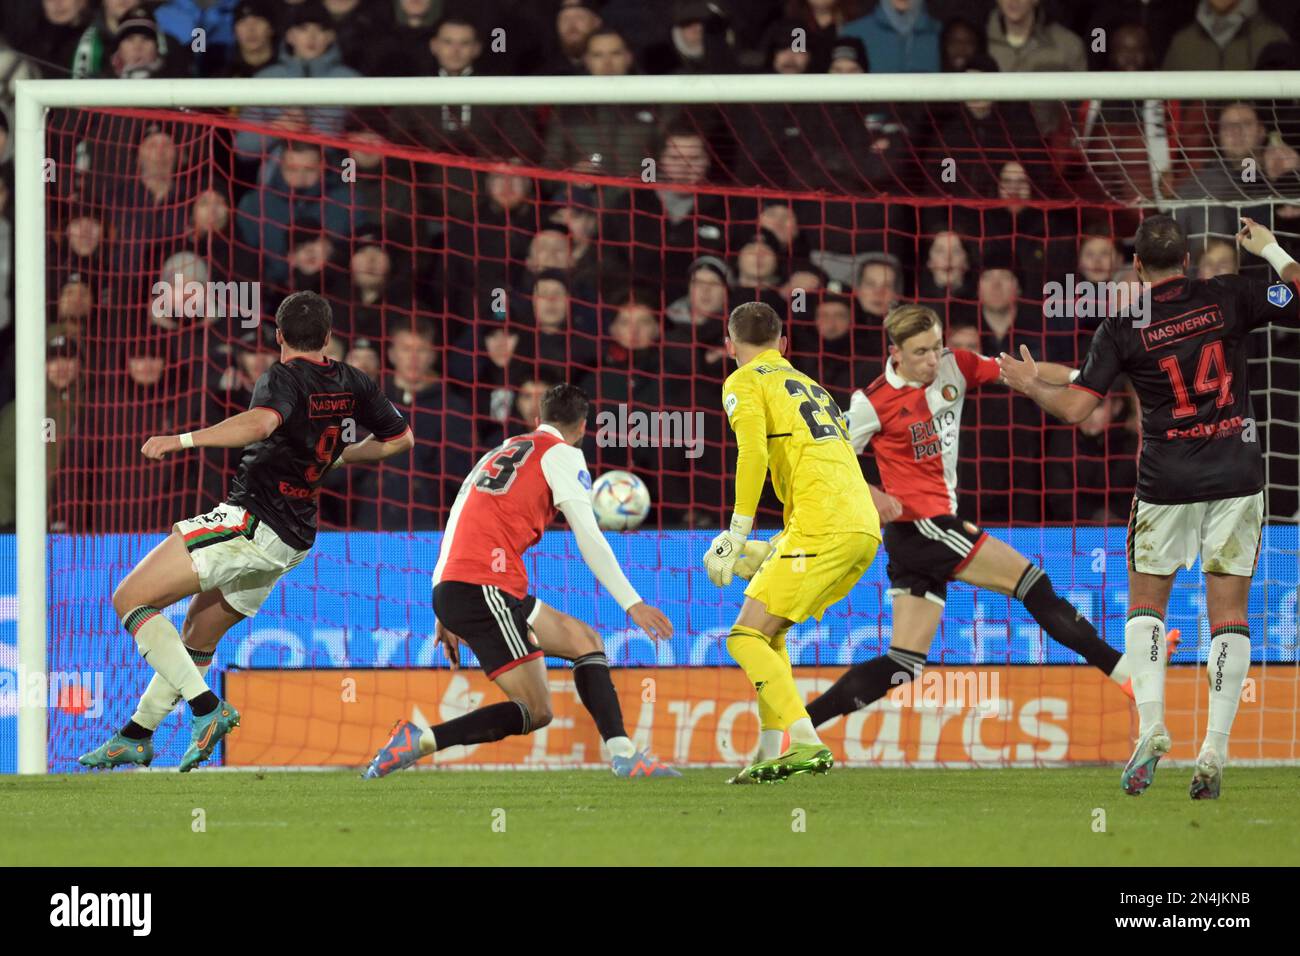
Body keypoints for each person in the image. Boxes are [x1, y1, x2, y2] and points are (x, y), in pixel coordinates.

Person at [998, 215, 1300, 799]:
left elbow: (1080, 405)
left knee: (1146, 602)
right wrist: (1269, 247)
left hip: (1166, 483)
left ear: (1137, 266)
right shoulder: (1228, 294)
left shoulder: (1125, 325)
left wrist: (1030, 384)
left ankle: (1154, 725)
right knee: (1229, 612)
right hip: (1237, 476)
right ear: (1186, 261)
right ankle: (1215, 746)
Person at [78, 291, 414, 771]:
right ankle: (137, 734)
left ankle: (206, 708)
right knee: (198, 632)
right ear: (328, 337)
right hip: (295, 537)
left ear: (278, 335)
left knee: (129, 599)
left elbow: (262, 422)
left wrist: (182, 439)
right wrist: (336, 455)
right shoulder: (354, 380)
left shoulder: (281, 377)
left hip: (252, 522)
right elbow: (401, 440)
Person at [808, 304, 1160, 737]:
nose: (932, 361)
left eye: (936, 348)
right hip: (923, 526)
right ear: (895, 352)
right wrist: (871, 492)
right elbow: (823, 460)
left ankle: (798, 729)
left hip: (921, 533)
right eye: (920, 353)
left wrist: (1079, 379)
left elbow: (1013, 370)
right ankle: (1126, 673)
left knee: (903, 663)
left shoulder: (956, 366)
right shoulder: (872, 402)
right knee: (1033, 583)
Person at [364, 383, 680, 779]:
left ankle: (624, 754)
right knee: (536, 709)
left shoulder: (504, 448)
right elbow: (589, 537)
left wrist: (441, 599)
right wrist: (633, 602)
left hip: (470, 582)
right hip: (483, 586)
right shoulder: (564, 454)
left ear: (538, 419)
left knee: (585, 641)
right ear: (582, 427)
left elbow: (459, 515)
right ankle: (420, 740)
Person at [706, 301, 882, 784]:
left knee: (743, 637)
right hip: (859, 526)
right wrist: (773, 547)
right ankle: (770, 750)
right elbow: (818, 472)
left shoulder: (743, 380)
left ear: (729, 345)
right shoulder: (813, 387)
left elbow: (753, 451)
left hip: (823, 526)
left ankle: (806, 741)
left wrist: (737, 532)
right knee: (768, 633)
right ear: (784, 343)